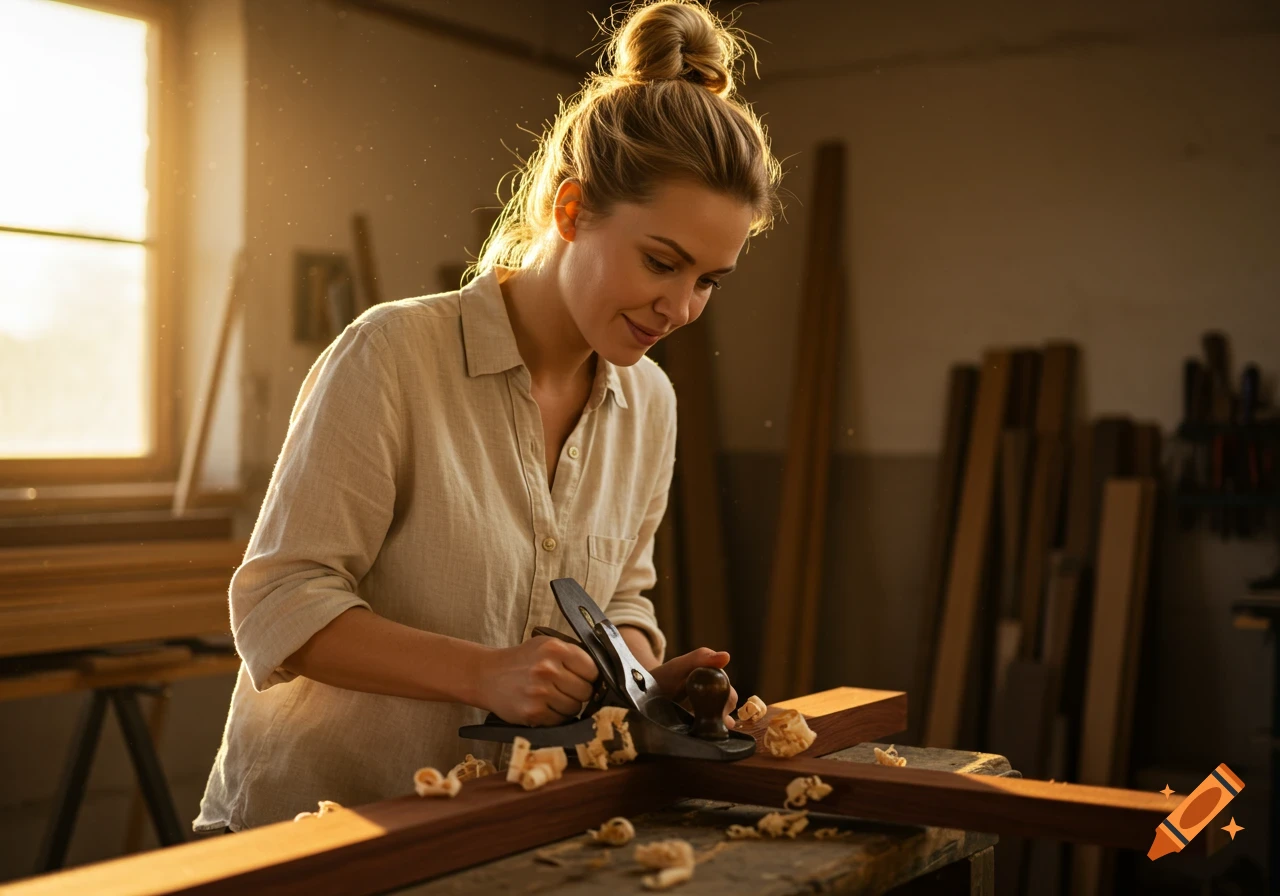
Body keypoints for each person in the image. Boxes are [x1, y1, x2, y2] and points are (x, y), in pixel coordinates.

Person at [195, 0, 783, 833]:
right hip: (314, 833)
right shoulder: (391, 355)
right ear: (573, 213)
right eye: (662, 262)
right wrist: (483, 672)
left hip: (494, 832)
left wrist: (643, 677)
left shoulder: (650, 403)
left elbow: (623, 604)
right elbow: (278, 605)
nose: (680, 308)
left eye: (708, 281)